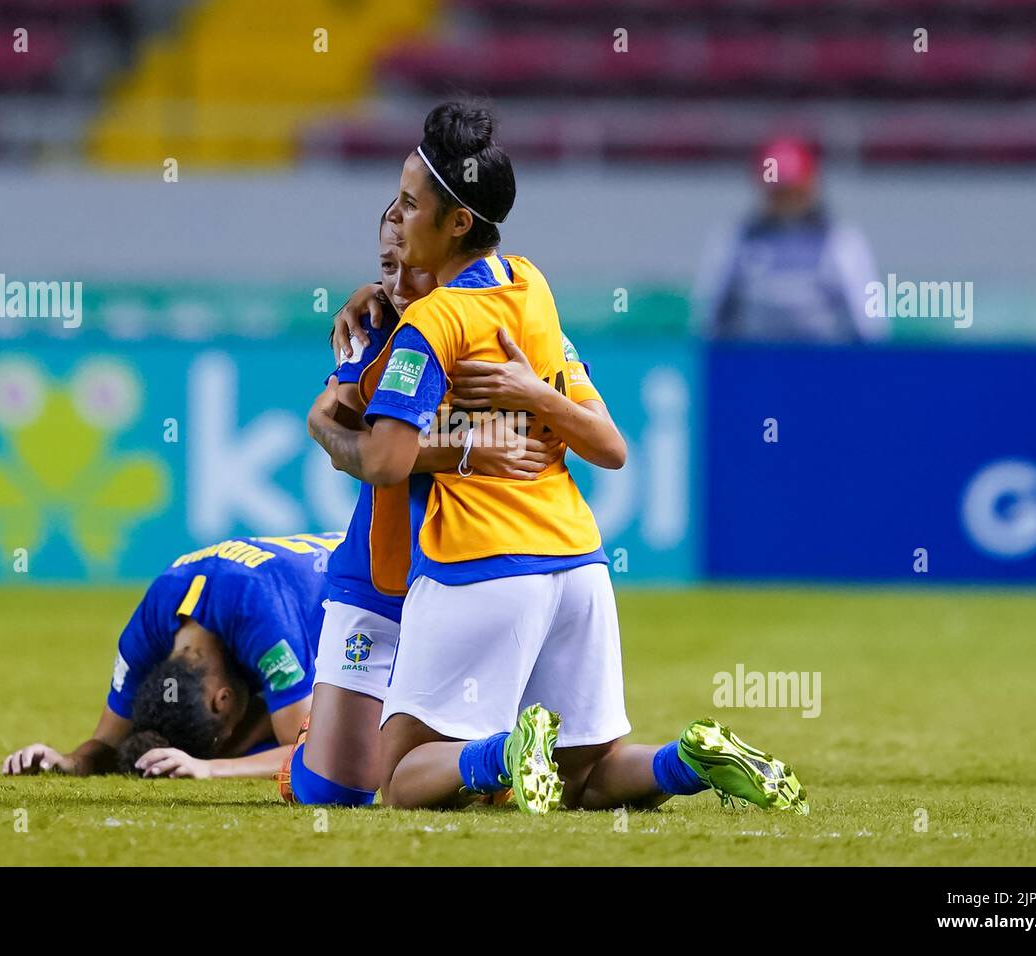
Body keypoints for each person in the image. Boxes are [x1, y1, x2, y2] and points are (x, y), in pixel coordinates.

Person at [307, 100, 808, 815]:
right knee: (587, 775)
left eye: (409, 207)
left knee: (403, 779)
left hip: (477, 563)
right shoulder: (530, 287)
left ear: (454, 222)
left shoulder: (431, 325)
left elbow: (384, 460)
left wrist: (413, 435)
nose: (397, 221)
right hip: (575, 563)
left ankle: (506, 751)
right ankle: (687, 761)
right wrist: (521, 398)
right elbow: (609, 446)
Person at [285, 206, 573, 805]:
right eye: (386, 267)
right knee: (328, 792)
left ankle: (494, 759)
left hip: (469, 572)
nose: (397, 282)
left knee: (429, 782)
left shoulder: (501, 327)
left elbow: (563, 436)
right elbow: (336, 428)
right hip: (380, 575)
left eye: (411, 265)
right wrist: (459, 449)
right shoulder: (380, 332)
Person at [1, 533, 342, 779]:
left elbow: (313, 754)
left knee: (344, 756)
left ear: (221, 701)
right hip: (331, 578)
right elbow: (107, 741)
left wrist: (209, 767)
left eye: (226, 732)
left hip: (388, 591)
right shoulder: (143, 636)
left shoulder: (262, 620)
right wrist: (67, 762)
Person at [697, 136, 882, 343]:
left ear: (810, 186)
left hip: (823, 364)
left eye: (793, 191)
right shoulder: (735, 238)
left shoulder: (842, 240)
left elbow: (868, 321)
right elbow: (709, 316)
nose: (786, 200)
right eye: (779, 192)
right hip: (753, 363)